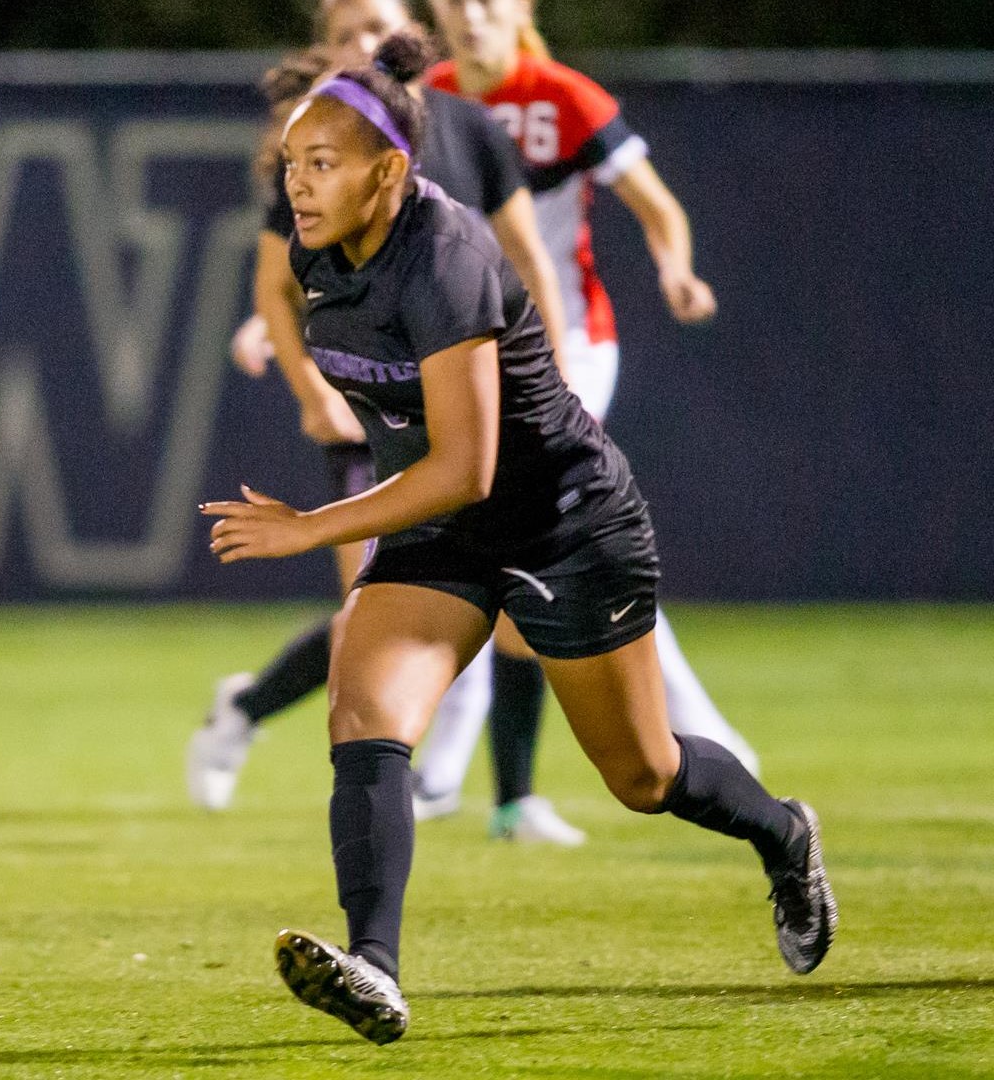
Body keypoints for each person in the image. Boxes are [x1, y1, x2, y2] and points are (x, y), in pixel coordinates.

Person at [200, 32, 835, 1044]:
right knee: (362, 712)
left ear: (391, 170)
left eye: (322, 164)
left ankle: (781, 830)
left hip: (561, 522)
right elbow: (370, 399)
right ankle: (375, 967)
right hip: (446, 531)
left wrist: (311, 528)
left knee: (642, 776)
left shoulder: (444, 256)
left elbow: (469, 468)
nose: (299, 187)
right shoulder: (319, 245)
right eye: (290, 165)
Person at [189, 0, 587, 845]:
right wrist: (312, 388)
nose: (364, 46)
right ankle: (302, 732)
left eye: (377, 29)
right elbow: (279, 286)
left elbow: (527, 261)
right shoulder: (314, 152)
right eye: (346, 34)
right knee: (374, 617)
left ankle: (511, 798)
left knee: (514, 612)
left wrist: (557, 371)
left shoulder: (468, 132)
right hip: (375, 422)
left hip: (476, 414)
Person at [415, 0, 763, 782]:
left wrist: (676, 269)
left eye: (487, 1)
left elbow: (657, 205)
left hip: (570, 347)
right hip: (475, 349)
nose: (470, 16)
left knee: (505, 530)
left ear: (521, 10)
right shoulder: (430, 97)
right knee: (530, 540)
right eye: (454, 1)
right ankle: (463, 772)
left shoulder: (566, 98)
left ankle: (443, 768)